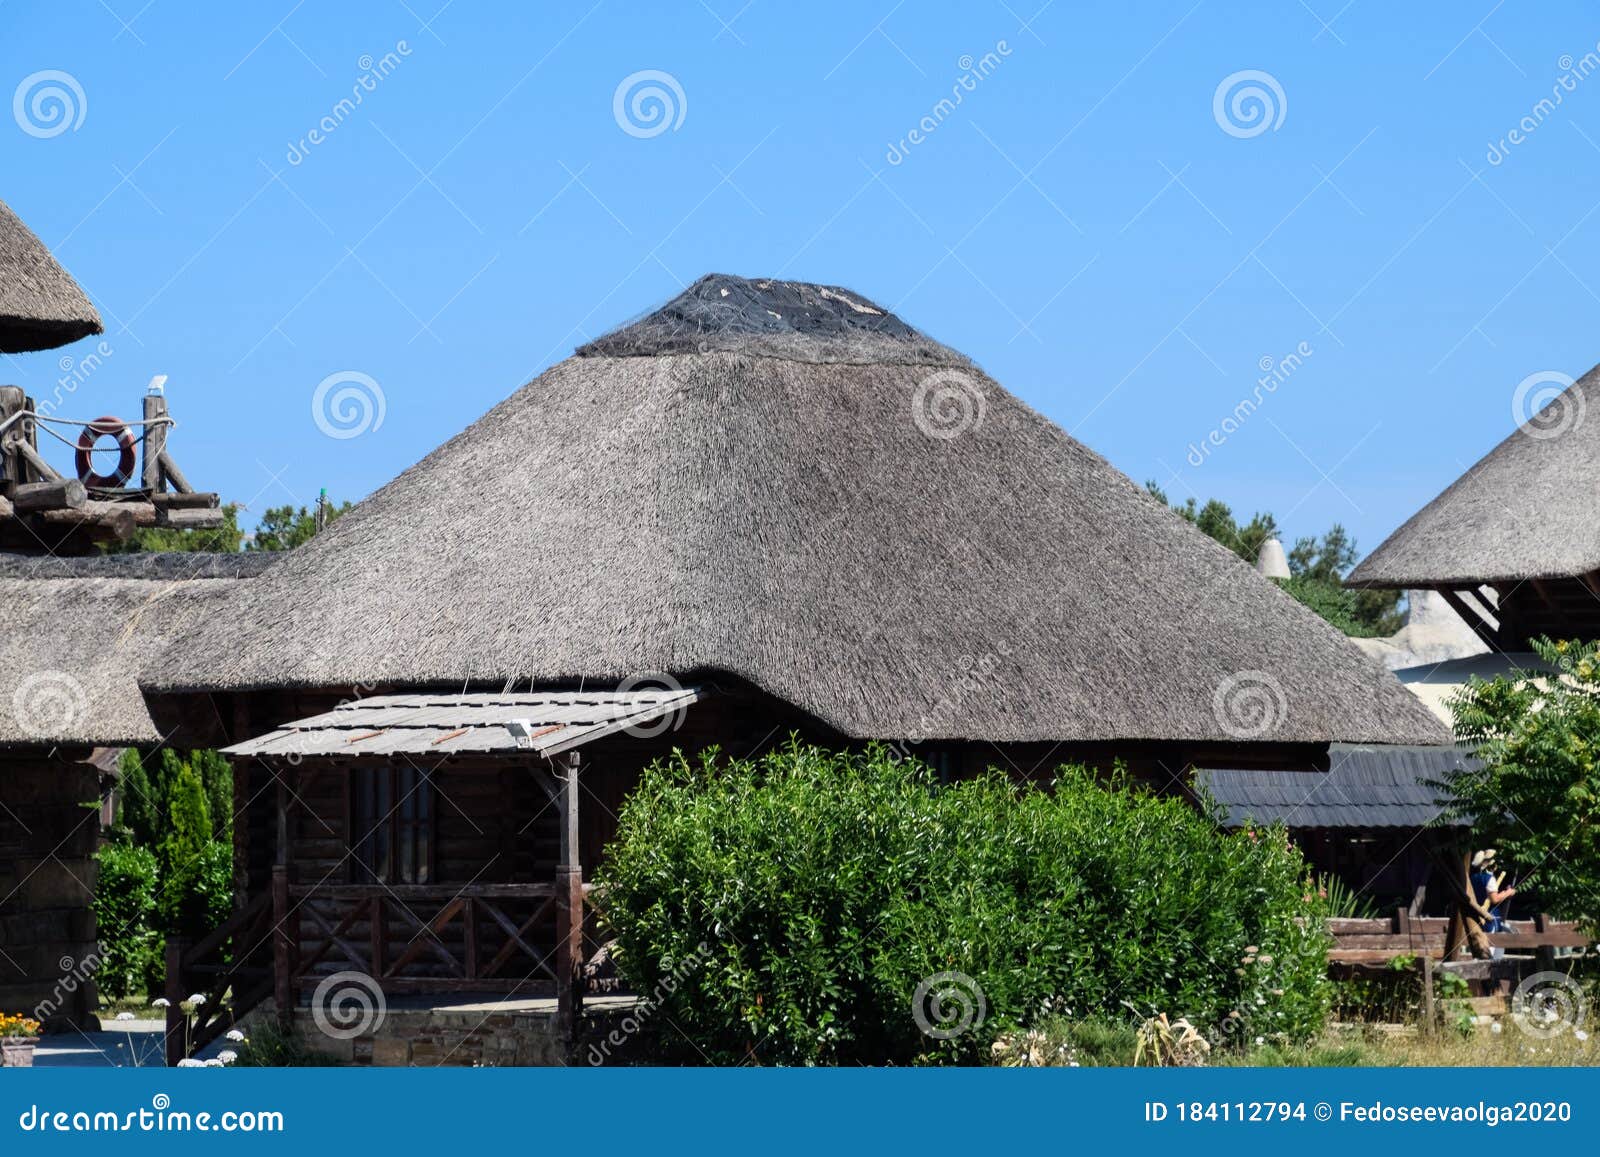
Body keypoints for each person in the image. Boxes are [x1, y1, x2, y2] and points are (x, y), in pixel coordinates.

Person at [1470, 849, 1516, 933]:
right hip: (1488, 920)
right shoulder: (1489, 878)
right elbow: (1494, 899)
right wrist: (1508, 892)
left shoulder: (1473, 877)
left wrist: (1502, 894)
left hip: (1475, 917)